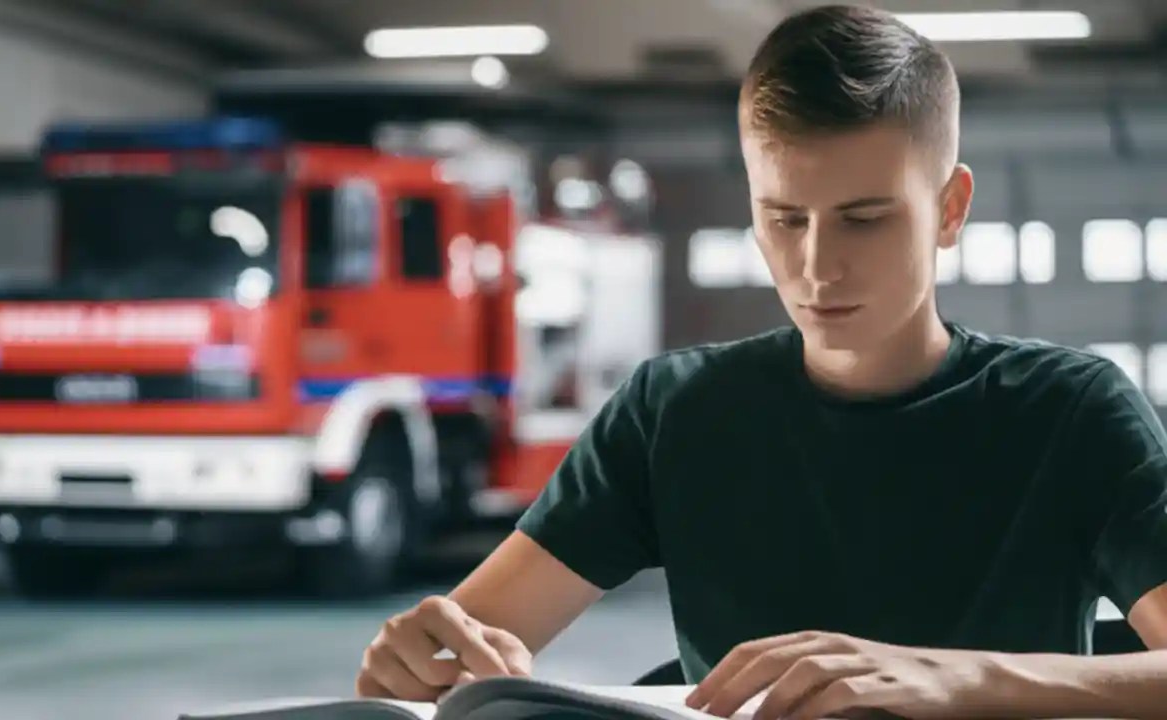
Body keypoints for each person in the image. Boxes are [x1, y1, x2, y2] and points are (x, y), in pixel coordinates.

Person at [356, 5, 1167, 718]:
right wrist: (419, 660)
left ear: (950, 209)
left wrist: (956, 681)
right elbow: (466, 649)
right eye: (785, 218)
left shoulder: (1072, 411)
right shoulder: (673, 412)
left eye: (865, 218)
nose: (817, 267)